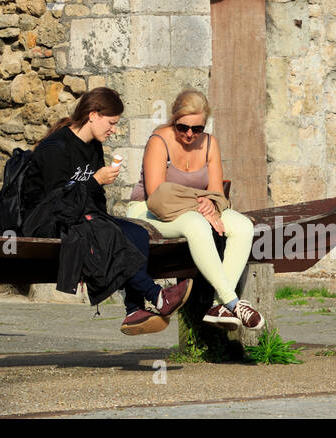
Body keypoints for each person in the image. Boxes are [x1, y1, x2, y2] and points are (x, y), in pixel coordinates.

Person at [20, 86, 192, 335]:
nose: (113, 130)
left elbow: (92, 200)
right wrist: (95, 181)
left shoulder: (93, 147)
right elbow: (56, 203)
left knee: (138, 233)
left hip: (80, 216)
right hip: (44, 220)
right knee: (104, 231)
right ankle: (157, 296)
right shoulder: (54, 148)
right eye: (111, 123)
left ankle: (133, 310)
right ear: (93, 115)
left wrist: (98, 193)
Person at [125, 89, 264, 331]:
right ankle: (233, 301)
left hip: (196, 210)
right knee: (195, 223)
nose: (189, 134)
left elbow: (217, 194)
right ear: (174, 120)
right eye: (183, 127)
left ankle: (220, 306)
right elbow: (159, 196)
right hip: (149, 212)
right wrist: (203, 202)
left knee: (243, 226)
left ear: (204, 126)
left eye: (197, 129)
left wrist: (211, 203)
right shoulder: (159, 141)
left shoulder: (210, 144)